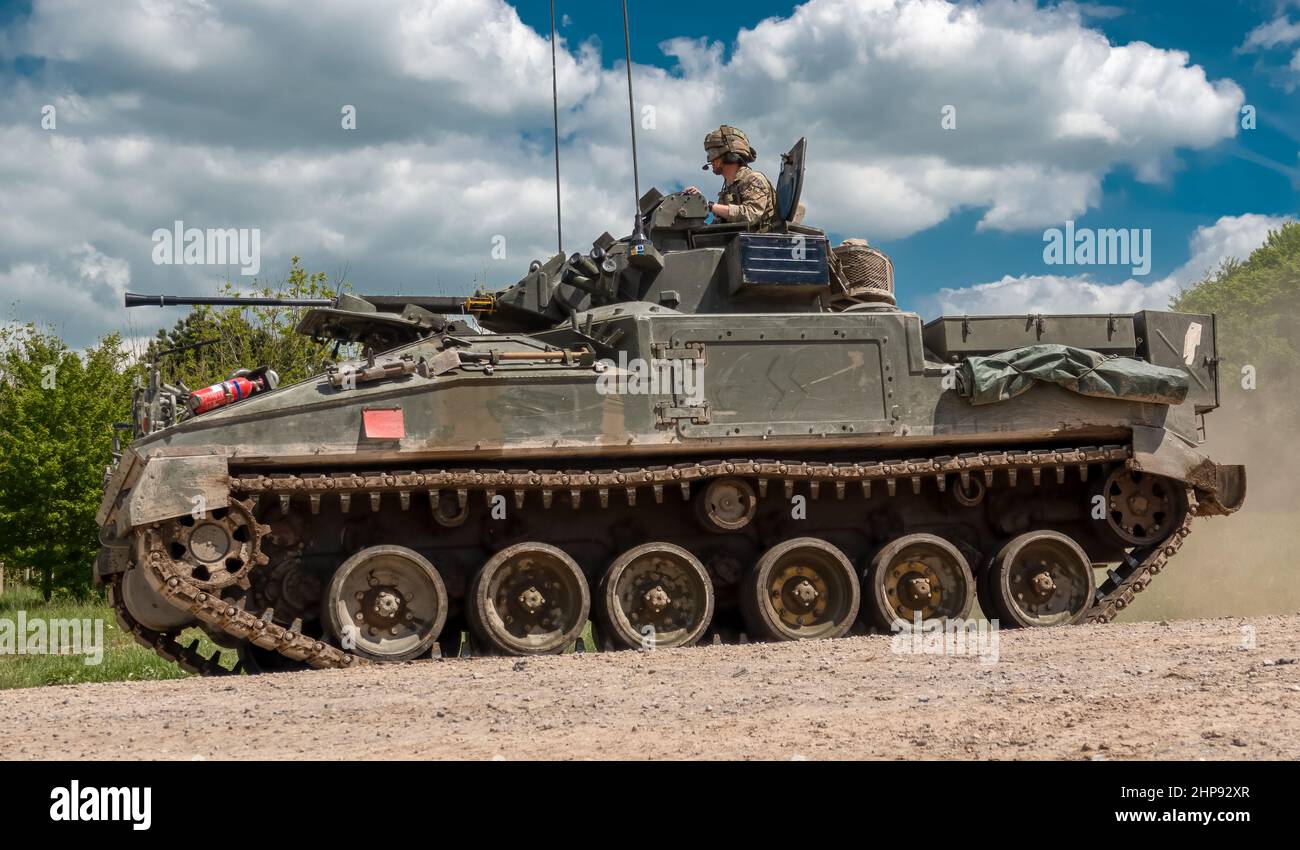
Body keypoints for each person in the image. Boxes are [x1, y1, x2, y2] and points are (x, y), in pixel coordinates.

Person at [684, 125, 776, 232]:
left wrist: (710, 205)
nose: (710, 160)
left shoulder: (753, 179)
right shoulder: (728, 189)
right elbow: (720, 225)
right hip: (737, 240)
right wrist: (700, 202)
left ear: (730, 155)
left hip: (761, 240)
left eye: (713, 153)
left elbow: (750, 214)